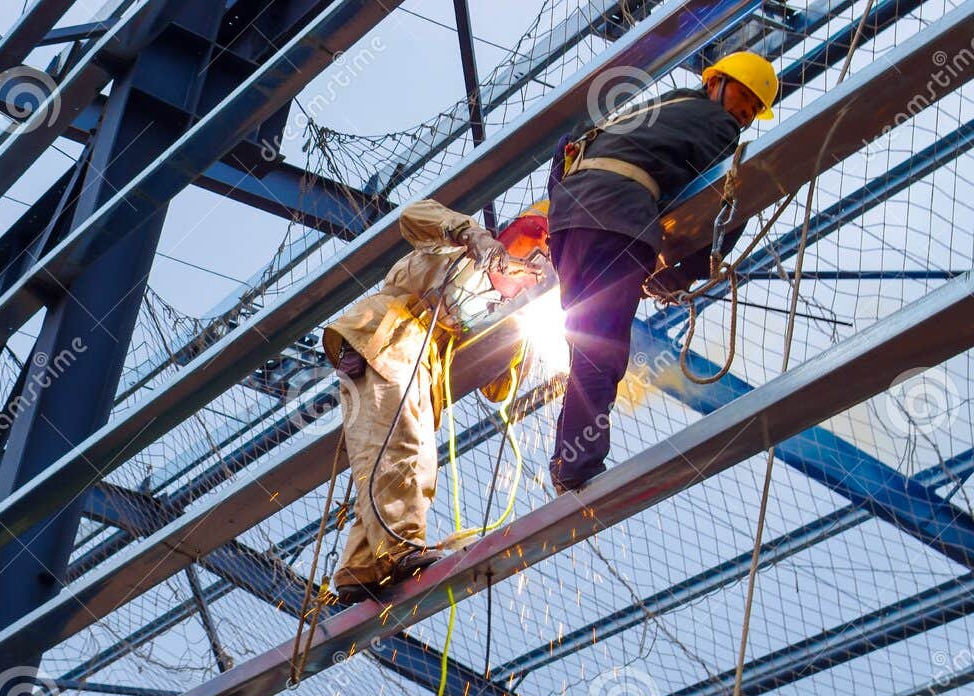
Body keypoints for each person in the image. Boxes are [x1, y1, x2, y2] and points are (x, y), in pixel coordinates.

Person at [547, 51, 778, 493]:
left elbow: (566, 149)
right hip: (618, 217)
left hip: (569, 219)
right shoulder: (720, 127)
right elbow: (728, 206)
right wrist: (677, 276)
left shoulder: (660, 107)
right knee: (603, 348)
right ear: (716, 85)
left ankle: (568, 455)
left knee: (585, 337)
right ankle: (576, 465)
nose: (741, 116)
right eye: (742, 101)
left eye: (749, 112)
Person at [322, 200, 550, 604]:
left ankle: (361, 566)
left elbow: (497, 390)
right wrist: (471, 234)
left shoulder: (500, 310)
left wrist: (523, 342)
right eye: (526, 262)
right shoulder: (458, 255)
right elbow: (414, 216)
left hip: (417, 363)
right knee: (401, 449)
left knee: (395, 459)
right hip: (387, 340)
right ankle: (401, 546)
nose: (524, 275)